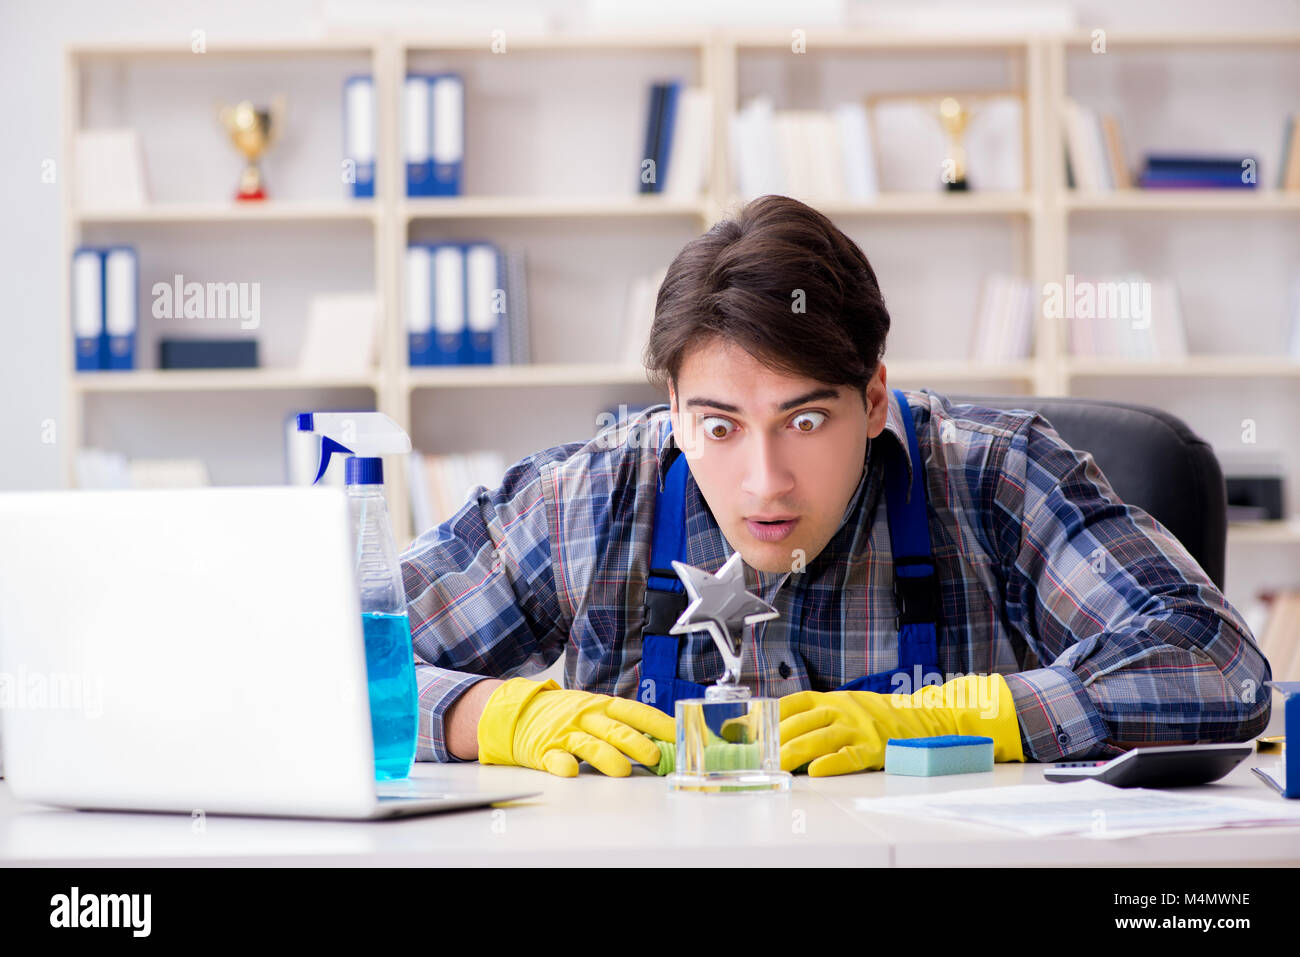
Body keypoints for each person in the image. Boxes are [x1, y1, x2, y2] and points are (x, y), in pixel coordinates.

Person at [399, 194, 1271, 779]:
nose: (765, 480)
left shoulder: (995, 478)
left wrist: (956, 717)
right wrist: (493, 714)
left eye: (806, 421)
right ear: (670, 408)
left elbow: (1220, 669)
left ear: (875, 396)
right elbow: (312, 658)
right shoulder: (586, 499)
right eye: (719, 426)